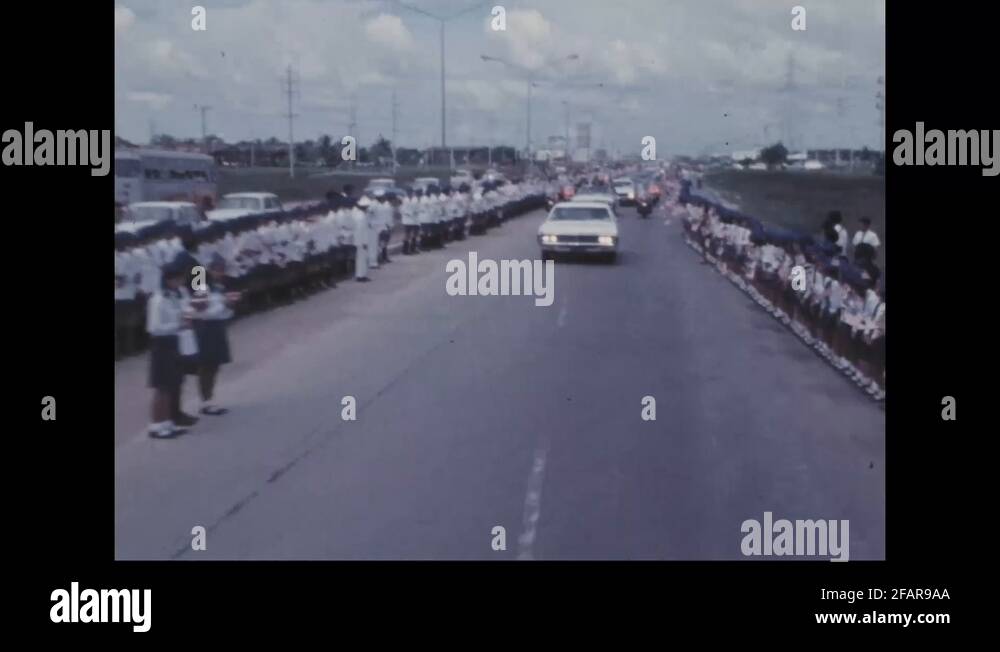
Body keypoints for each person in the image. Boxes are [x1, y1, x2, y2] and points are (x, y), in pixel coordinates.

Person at [145, 259, 191, 438]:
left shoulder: (174, 295)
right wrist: (178, 324)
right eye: (179, 279)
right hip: (162, 344)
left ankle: (167, 422)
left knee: (172, 384)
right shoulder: (158, 299)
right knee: (162, 387)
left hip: (174, 342)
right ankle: (156, 425)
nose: (181, 282)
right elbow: (154, 328)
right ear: (169, 279)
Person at [192, 253, 239, 416]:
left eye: (222, 270)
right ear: (209, 269)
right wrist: (223, 305)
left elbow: (223, 313)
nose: (220, 273)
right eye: (217, 270)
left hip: (217, 327)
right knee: (207, 365)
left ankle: (209, 399)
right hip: (204, 328)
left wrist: (230, 306)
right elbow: (200, 311)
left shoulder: (220, 286)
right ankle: (206, 402)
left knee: (215, 365)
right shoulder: (200, 283)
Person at [351, 205, 370, 282]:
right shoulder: (361, 217)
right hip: (361, 241)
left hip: (360, 240)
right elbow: (361, 231)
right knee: (361, 259)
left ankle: (362, 275)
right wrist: (364, 242)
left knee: (362, 258)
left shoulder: (360, 215)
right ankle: (360, 276)